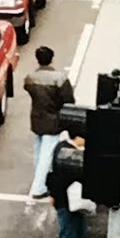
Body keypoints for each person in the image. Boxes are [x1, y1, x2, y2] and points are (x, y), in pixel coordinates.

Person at [45, 133, 97, 238]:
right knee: (68, 237)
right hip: (66, 204)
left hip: (69, 203)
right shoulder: (69, 155)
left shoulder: (62, 149)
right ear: (78, 137)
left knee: (79, 235)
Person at [23, 46, 75, 201]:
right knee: (47, 154)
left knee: (39, 151)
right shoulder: (60, 78)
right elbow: (69, 100)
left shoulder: (30, 78)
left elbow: (28, 89)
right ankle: (39, 187)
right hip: (53, 121)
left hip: (36, 118)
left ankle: (39, 182)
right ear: (51, 58)